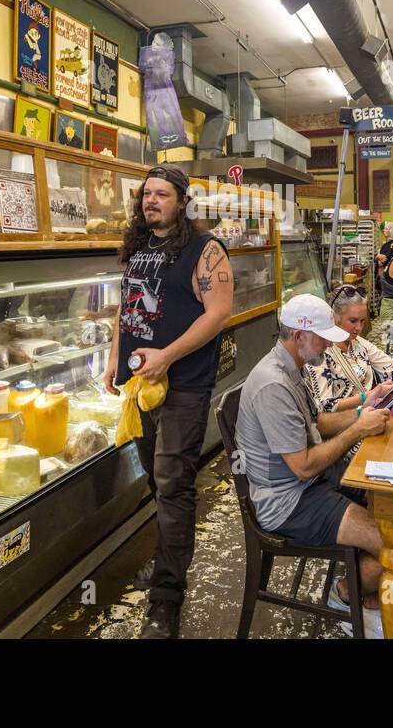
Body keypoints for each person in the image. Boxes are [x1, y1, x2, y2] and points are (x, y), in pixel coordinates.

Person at [102, 164, 235, 639]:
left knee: (173, 486)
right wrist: (116, 358)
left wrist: (167, 356)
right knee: (158, 486)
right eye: (145, 195)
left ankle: (166, 600)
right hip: (140, 387)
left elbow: (219, 313)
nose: (150, 201)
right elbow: (129, 304)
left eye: (161, 194)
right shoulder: (140, 247)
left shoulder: (206, 250)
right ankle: (166, 563)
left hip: (183, 386)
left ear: (180, 201)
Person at [236, 295, 392, 635]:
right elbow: (303, 467)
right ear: (299, 336)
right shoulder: (274, 385)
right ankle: (346, 595)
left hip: (308, 483)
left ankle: (369, 594)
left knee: (390, 499)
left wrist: (363, 414)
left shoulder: (293, 367)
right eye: (322, 337)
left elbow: (318, 423)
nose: (328, 345)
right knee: (391, 542)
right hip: (287, 501)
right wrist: (356, 430)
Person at [302, 285, 393, 465]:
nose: (359, 327)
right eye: (353, 321)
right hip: (346, 435)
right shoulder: (320, 354)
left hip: (370, 421)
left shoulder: (358, 344)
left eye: (363, 321)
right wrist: (365, 397)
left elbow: (392, 366)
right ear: (334, 318)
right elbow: (325, 408)